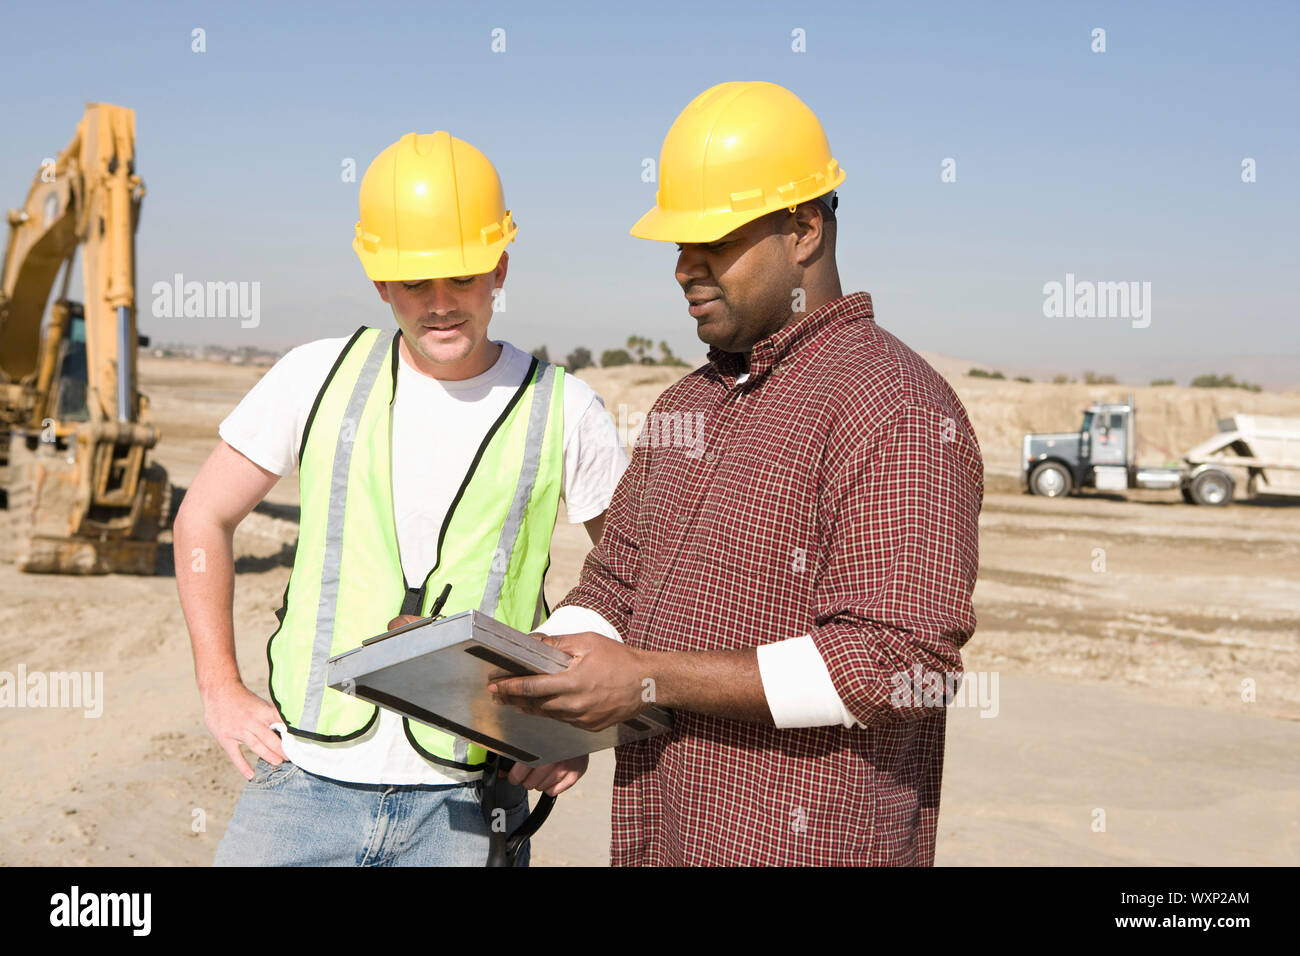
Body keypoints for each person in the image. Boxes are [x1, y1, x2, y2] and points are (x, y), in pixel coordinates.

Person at [492, 81, 984, 866]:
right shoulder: (688, 405)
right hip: (669, 837)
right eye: (678, 246)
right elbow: (616, 585)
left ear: (804, 231)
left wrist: (648, 679)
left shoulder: (895, 405)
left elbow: (900, 666)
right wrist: (514, 672)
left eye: (712, 240)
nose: (685, 269)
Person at [174, 130, 621, 866]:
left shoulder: (566, 409)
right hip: (301, 786)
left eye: (463, 277)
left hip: (470, 798)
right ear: (381, 282)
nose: (440, 305)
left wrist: (568, 729)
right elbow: (204, 517)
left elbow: (633, 581)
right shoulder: (313, 377)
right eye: (416, 283)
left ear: (499, 268)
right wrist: (219, 687)